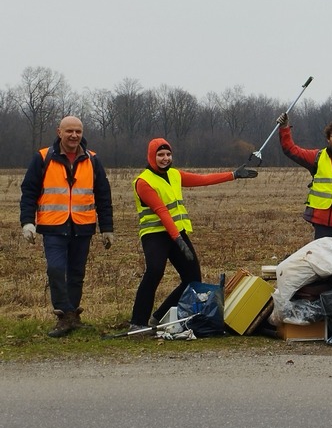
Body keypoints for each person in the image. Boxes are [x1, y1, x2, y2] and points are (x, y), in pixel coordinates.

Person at [129, 138, 256, 330]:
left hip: (176, 233)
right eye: (160, 155)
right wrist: (177, 239)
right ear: (152, 156)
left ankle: (159, 317)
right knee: (154, 272)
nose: (165, 158)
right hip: (155, 234)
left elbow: (202, 180)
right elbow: (161, 210)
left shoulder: (174, 174)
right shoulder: (144, 181)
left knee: (192, 278)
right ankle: (137, 322)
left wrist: (233, 175)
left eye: (168, 154)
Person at [20, 115, 114, 338]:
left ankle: (72, 316)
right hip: (53, 226)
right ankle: (64, 315)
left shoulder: (92, 160)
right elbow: (29, 192)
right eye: (69, 131)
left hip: (83, 226)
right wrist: (27, 222)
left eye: (78, 132)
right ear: (59, 132)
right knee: (56, 269)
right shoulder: (43, 158)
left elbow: (103, 196)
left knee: (76, 273)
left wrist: (107, 228)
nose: (74, 136)